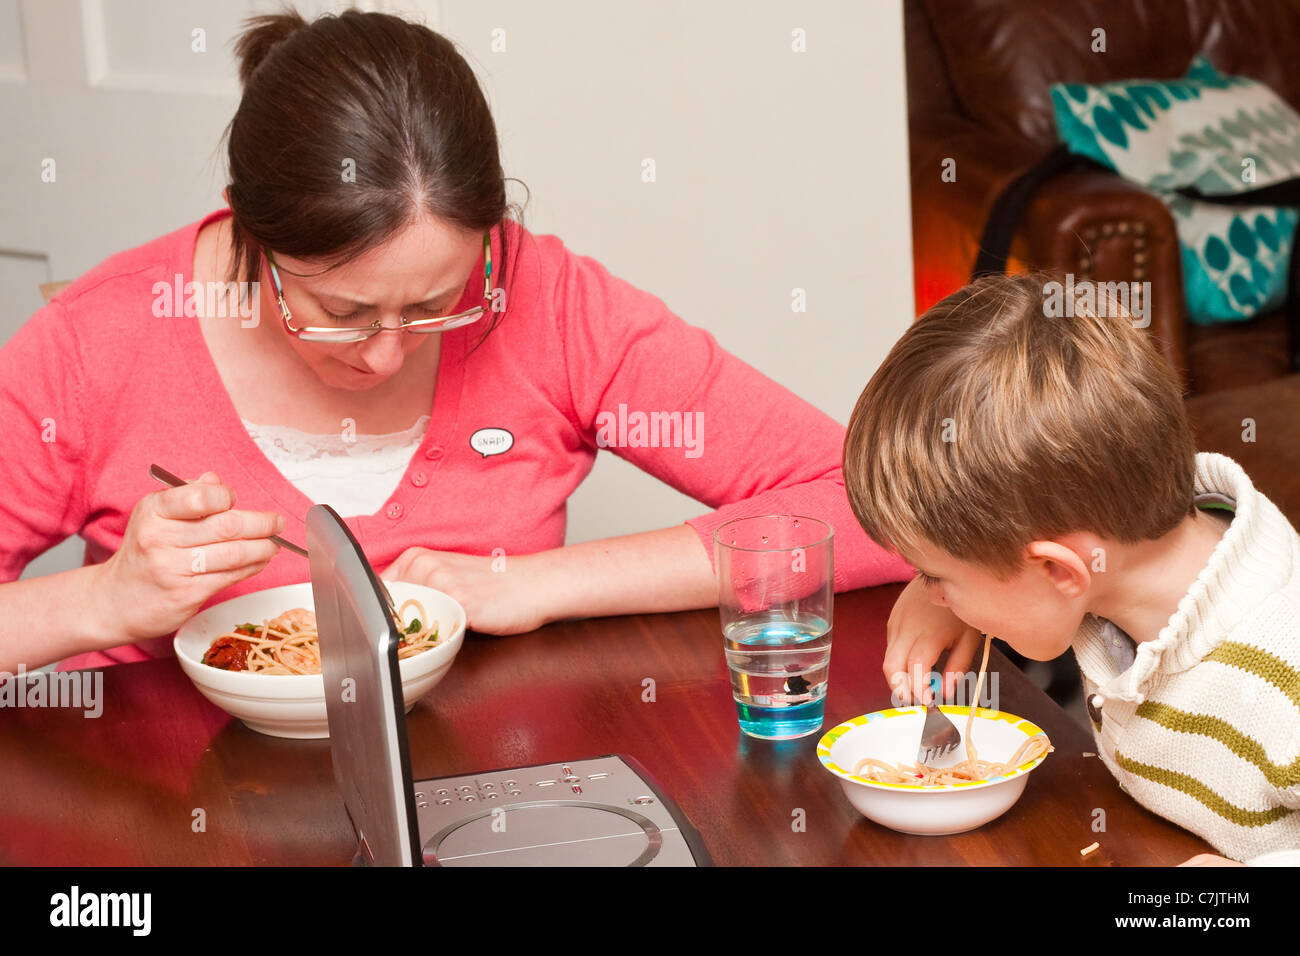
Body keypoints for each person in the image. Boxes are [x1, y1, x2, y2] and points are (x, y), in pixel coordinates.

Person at [0, 8, 909, 673]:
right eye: (341, 312)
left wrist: (536, 584)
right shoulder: (99, 341)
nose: (388, 355)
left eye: (439, 303)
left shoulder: (543, 298)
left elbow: (882, 505)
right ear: (249, 231)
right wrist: (105, 602)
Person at [842, 272, 1300, 863]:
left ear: (1059, 573)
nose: (928, 593)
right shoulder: (1119, 560)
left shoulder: (1282, 677)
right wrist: (959, 601)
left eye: (934, 576)